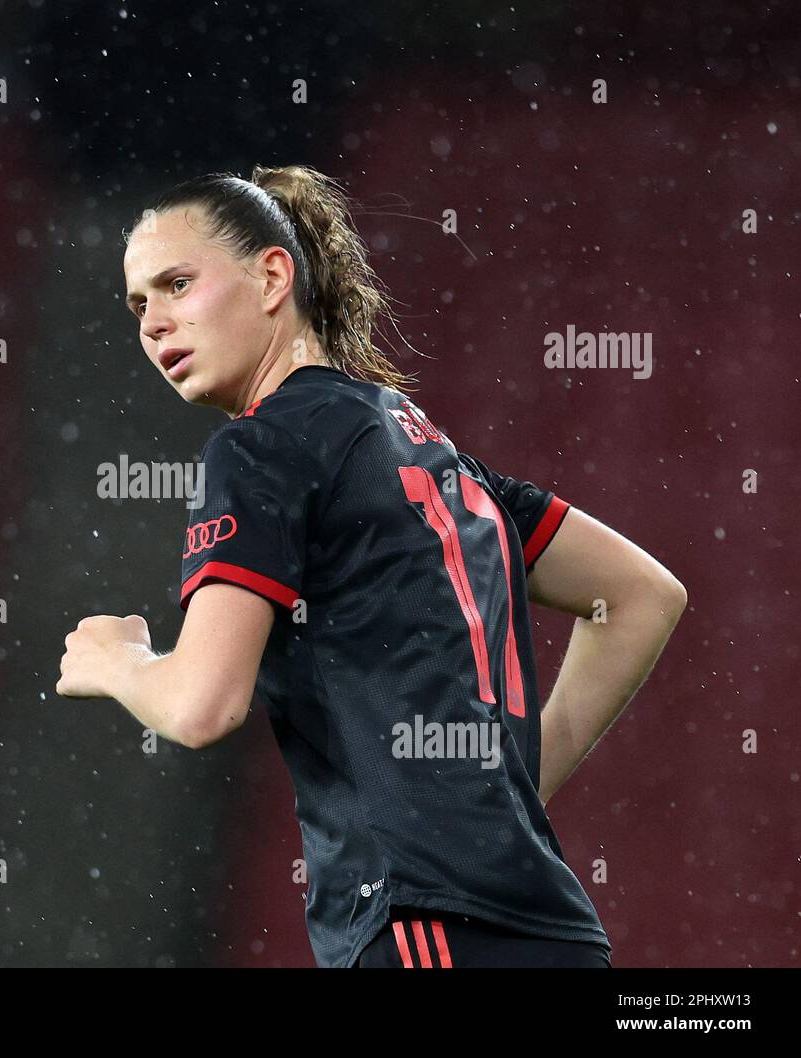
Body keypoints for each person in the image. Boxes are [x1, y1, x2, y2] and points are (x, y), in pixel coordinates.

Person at [55, 165, 687, 968]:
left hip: (424, 927)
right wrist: (510, 801)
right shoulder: (433, 452)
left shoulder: (263, 447)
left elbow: (200, 706)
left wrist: (121, 659)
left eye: (177, 284)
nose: (153, 324)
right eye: (139, 305)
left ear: (273, 275)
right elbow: (638, 597)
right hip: (549, 932)